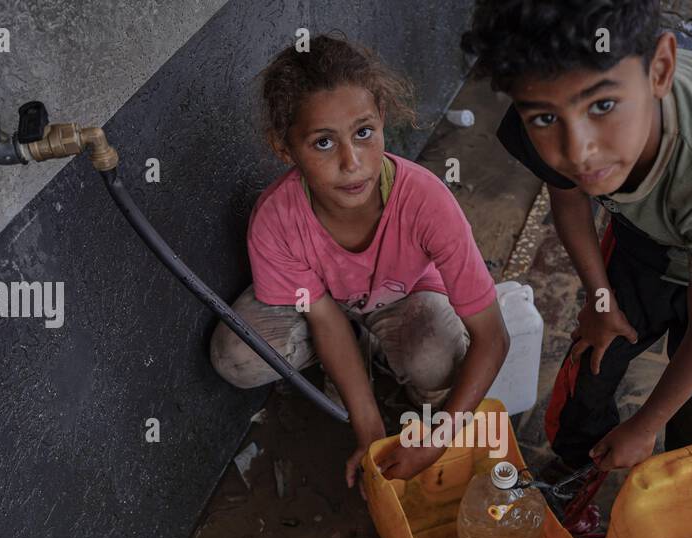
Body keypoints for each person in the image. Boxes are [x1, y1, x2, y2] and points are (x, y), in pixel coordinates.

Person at [461, 0, 692, 472]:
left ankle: (688, 490)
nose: (578, 152)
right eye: (544, 118)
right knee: (593, 358)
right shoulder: (547, 110)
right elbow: (569, 199)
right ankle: (574, 477)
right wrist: (601, 301)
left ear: (660, 69)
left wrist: (643, 428)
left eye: (602, 106)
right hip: (644, 233)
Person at [210, 34, 509, 488]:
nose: (352, 162)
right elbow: (324, 315)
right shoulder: (276, 218)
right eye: (323, 143)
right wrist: (369, 432)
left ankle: (376, 349)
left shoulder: (427, 201)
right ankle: (356, 352)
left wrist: (439, 436)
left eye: (363, 133)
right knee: (235, 357)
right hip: (323, 306)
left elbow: (494, 337)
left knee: (438, 361)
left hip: (402, 296)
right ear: (283, 148)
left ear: (383, 120)